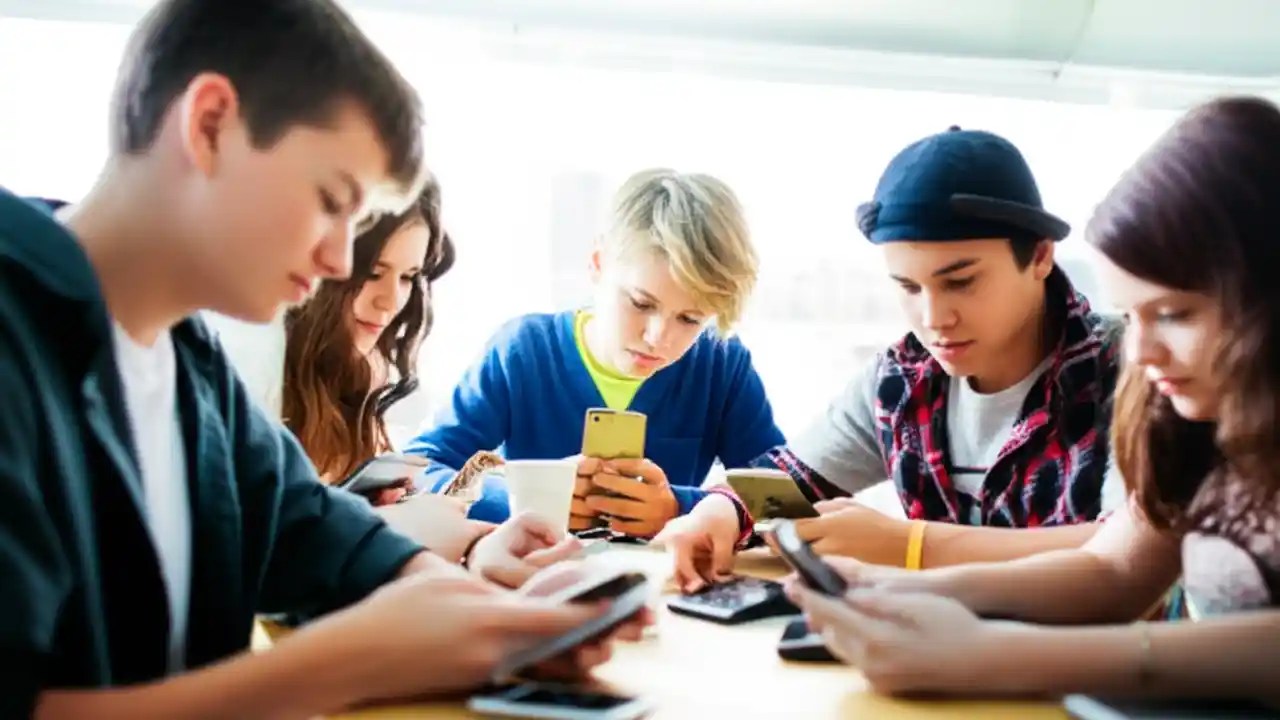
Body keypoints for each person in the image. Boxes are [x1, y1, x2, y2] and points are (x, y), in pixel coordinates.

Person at [0, 2, 637, 717]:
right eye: (331, 201)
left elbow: (312, 531)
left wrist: (487, 620)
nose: (339, 259)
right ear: (210, 125)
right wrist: (348, 663)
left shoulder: (190, 365)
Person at [788, 96, 1280, 704]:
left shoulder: (1128, 369)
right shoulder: (1185, 411)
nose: (1142, 351)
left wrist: (991, 654)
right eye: (1131, 312)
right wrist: (896, 588)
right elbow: (1113, 569)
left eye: (1175, 314)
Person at [658, 125, 1124, 590]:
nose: (934, 317)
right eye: (908, 286)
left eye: (961, 282)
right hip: (932, 648)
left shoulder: (1132, 367)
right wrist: (719, 511)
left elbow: (1130, 554)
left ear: (1041, 257)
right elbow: (786, 480)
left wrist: (909, 546)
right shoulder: (902, 380)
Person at [407, 168, 785, 536]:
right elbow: (418, 470)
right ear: (598, 264)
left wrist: (679, 508)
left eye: (689, 318)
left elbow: (784, 495)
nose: (658, 337)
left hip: (665, 589)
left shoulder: (722, 364)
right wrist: (526, 499)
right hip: (532, 582)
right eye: (640, 303)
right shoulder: (522, 352)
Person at [281, 176, 579, 585]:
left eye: (407, 277)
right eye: (372, 271)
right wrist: (390, 529)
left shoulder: (355, 376)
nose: (390, 301)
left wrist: (476, 544)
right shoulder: (256, 377)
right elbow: (273, 557)